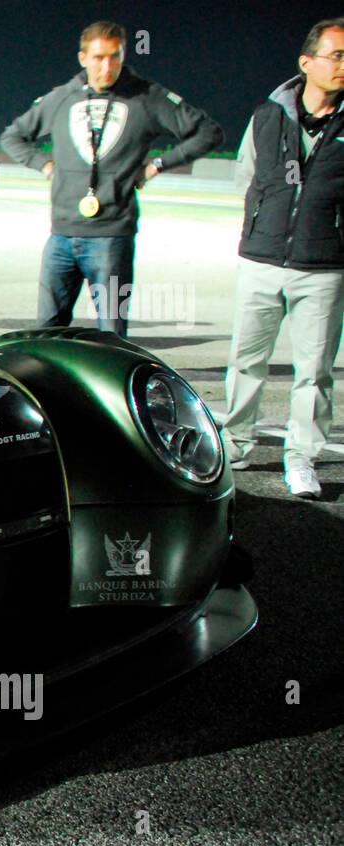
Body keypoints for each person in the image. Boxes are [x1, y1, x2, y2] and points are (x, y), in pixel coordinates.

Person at [0, 20, 223, 335]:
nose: (108, 66)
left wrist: (157, 164)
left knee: (113, 333)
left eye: (115, 57)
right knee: (46, 333)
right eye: (99, 57)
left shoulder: (146, 97)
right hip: (61, 237)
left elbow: (208, 133)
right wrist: (44, 165)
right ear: (83, 58)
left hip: (112, 239)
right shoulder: (63, 97)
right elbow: (13, 137)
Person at [222, 18, 344, 499]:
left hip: (325, 266)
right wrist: (263, 225)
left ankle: (302, 459)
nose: (343, 64)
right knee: (246, 360)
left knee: (314, 371)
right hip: (262, 259)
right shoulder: (266, 116)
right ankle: (234, 443)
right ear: (306, 62)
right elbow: (245, 178)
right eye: (336, 54)